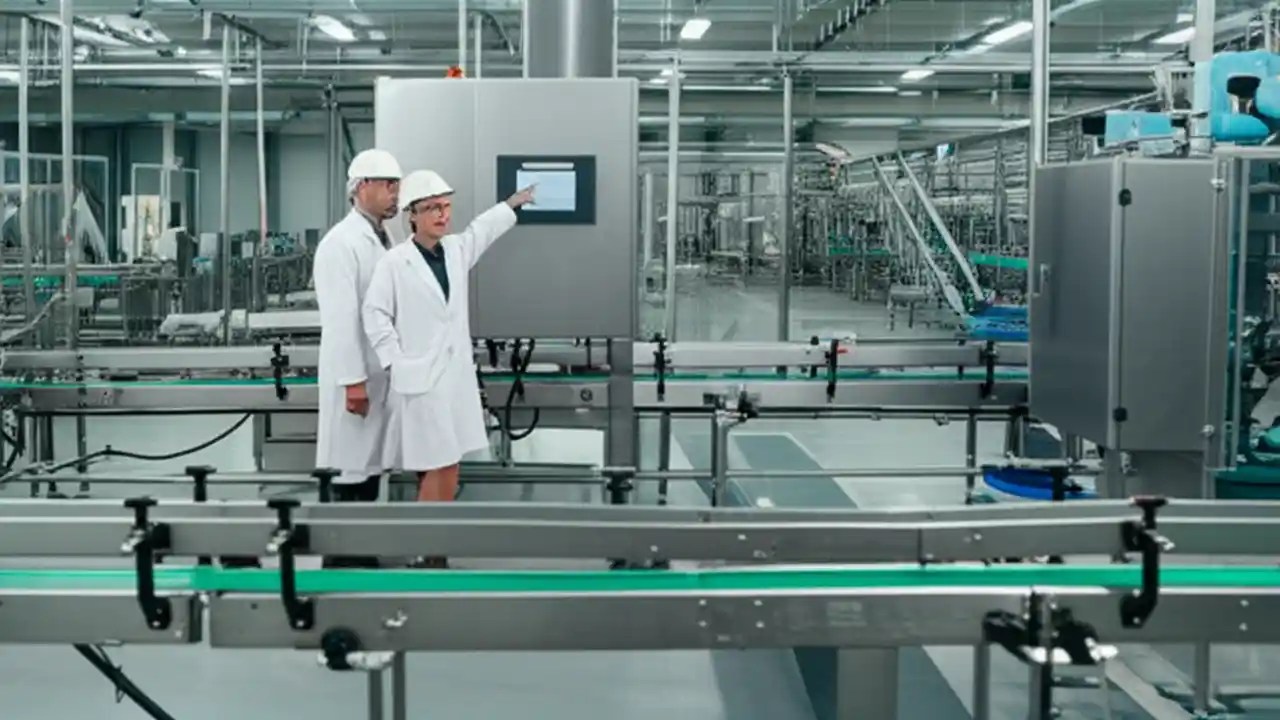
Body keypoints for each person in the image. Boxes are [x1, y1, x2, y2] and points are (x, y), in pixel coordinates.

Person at [363, 170, 535, 568]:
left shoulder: (455, 250)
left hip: (453, 377)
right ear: (412, 215)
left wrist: (512, 205)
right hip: (421, 378)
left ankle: (433, 548)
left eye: (445, 207)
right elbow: (374, 313)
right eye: (432, 208)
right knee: (436, 464)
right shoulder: (395, 263)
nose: (442, 215)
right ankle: (426, 551)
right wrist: (394, 360)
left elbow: (482, 231)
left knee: (449, 462)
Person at [312, 148, 402, 568]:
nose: (395, 193)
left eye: (397, 185)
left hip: (379, 375)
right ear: (361, 187)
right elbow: (341, 320)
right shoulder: (340, 244)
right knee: (347, 469)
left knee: (369, 468)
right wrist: (353, 381)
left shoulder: (385, 238)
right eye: (387, 185)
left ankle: (359, 552)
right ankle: (341, 558)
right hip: (357, 378)